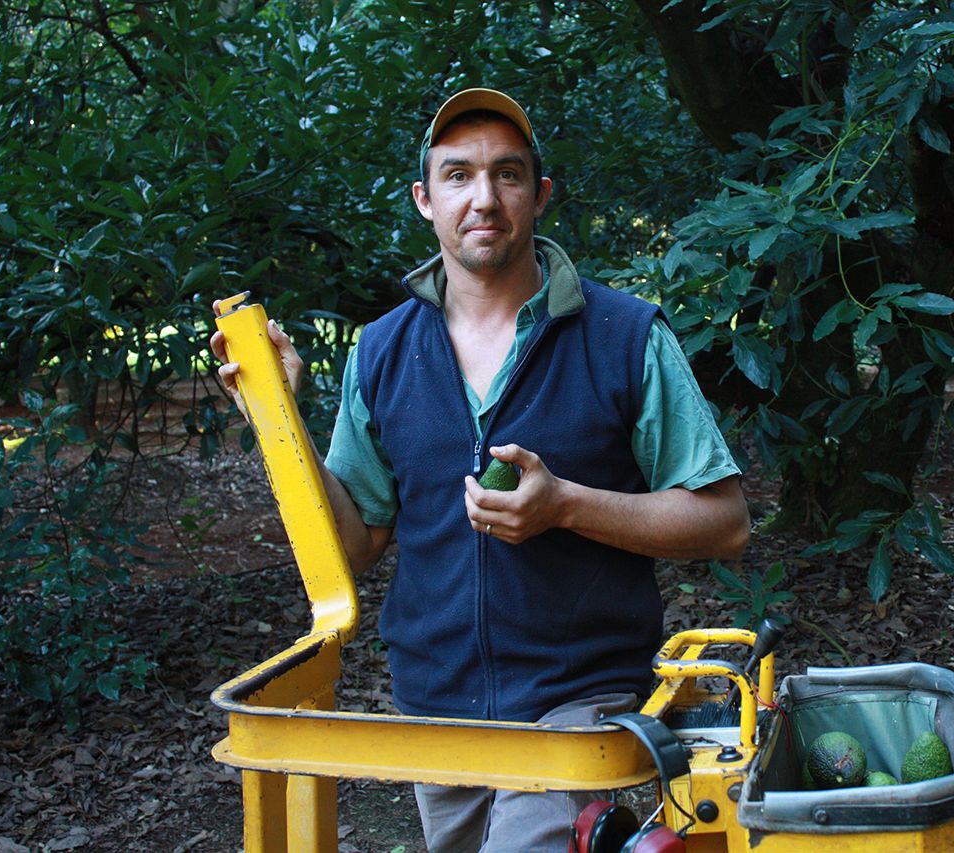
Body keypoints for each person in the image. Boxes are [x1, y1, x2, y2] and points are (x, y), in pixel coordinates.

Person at [211, 88, 750, 852]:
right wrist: (279, 421)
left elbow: (725, 520)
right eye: (458, 175)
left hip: (576, 701)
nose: (484, 198)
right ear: (425, 199)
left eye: (508, 173)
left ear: (541, 194)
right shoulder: (383, 351)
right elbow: (355, 544)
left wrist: (565, 505)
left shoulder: (624, 336)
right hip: (436, 709)